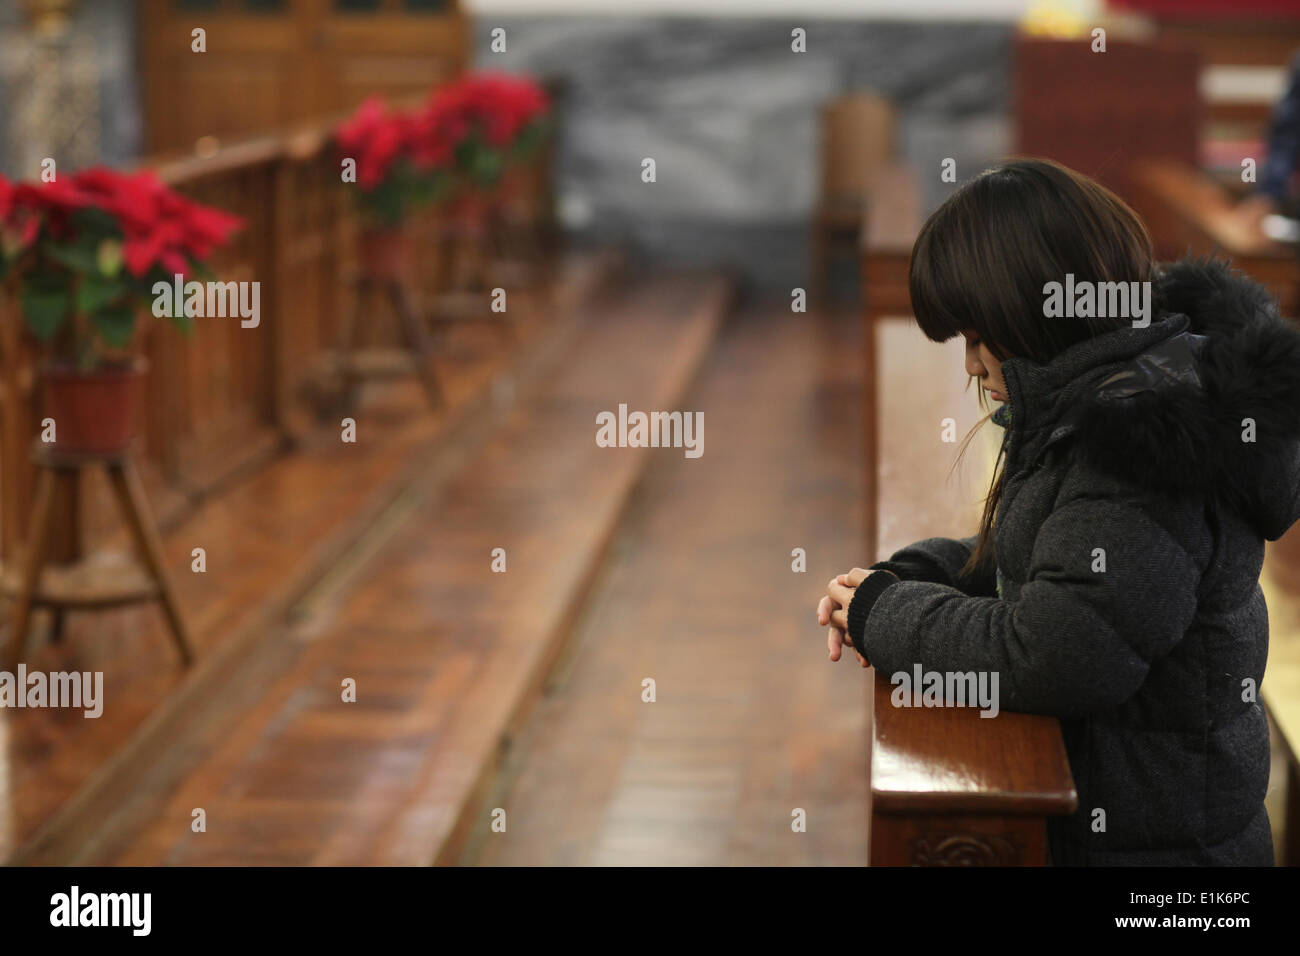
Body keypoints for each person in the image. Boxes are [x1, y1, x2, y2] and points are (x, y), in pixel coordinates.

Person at [817, 158, 1300, 866]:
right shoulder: (1117, 393)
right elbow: (1051, 554)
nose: (971, 366)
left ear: (1032, 315)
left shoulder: (1138, 448)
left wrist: (887, 619)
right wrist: (913, 574)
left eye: (977, 338)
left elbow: (1059, 656)